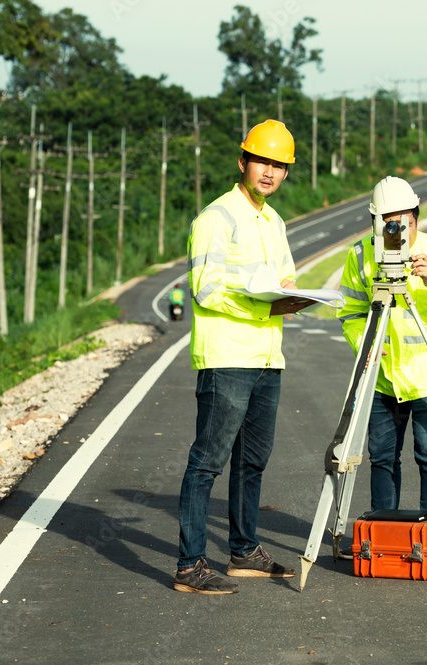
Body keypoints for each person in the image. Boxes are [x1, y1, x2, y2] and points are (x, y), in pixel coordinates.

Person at [174, 119, 315, 594]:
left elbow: (285, 279)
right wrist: (262, 305)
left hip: (267, 358)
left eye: (280, 165)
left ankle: (243, 550)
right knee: (208, 461)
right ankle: (190, 564)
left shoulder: (273, 222)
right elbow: (205, 290)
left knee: (252, 461)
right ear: (243, 162)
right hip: (226, 355)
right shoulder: (217, 217)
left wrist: (295, 296)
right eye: (263, 162)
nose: (270, 172)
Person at [337, 176, 427, 519]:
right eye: (389, 225)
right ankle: (382, 532)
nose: (399, 232)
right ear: (375, 223)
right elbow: (350, 313)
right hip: (383, 376)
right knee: (383, 458)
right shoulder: (361, 256)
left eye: (406, 224)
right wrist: (365, 344)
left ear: (418, 218)